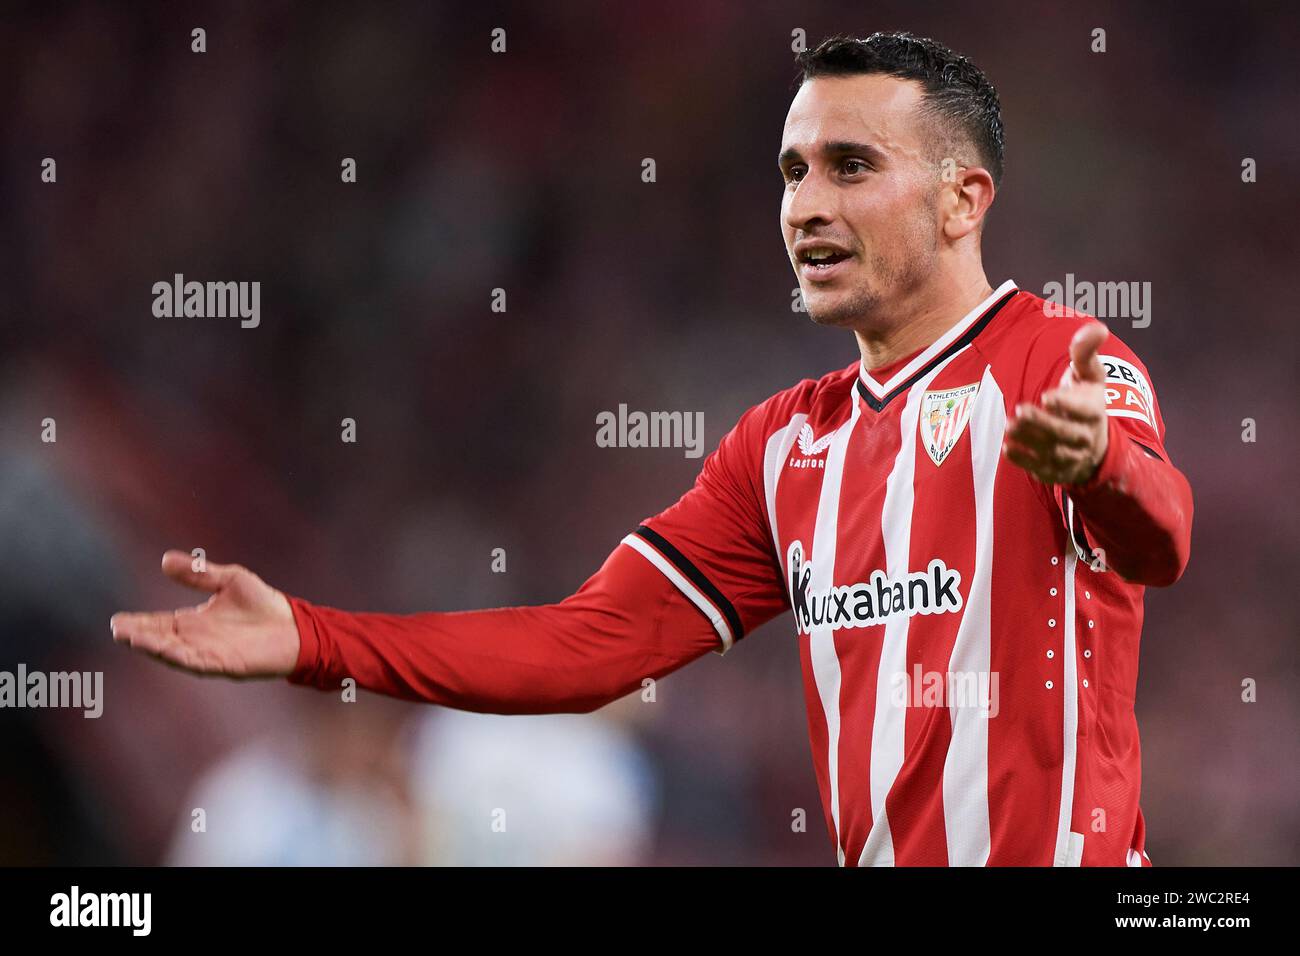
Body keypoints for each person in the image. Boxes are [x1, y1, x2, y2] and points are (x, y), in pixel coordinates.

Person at [111, 32, 1193, 867]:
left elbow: (1162, 534)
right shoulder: (781, 444)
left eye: (850, 166)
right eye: (792, 170)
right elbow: (579, 647)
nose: (806, 205)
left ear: (965, 198)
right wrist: (311, 635)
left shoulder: (1058, 361)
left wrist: (1097, 464)